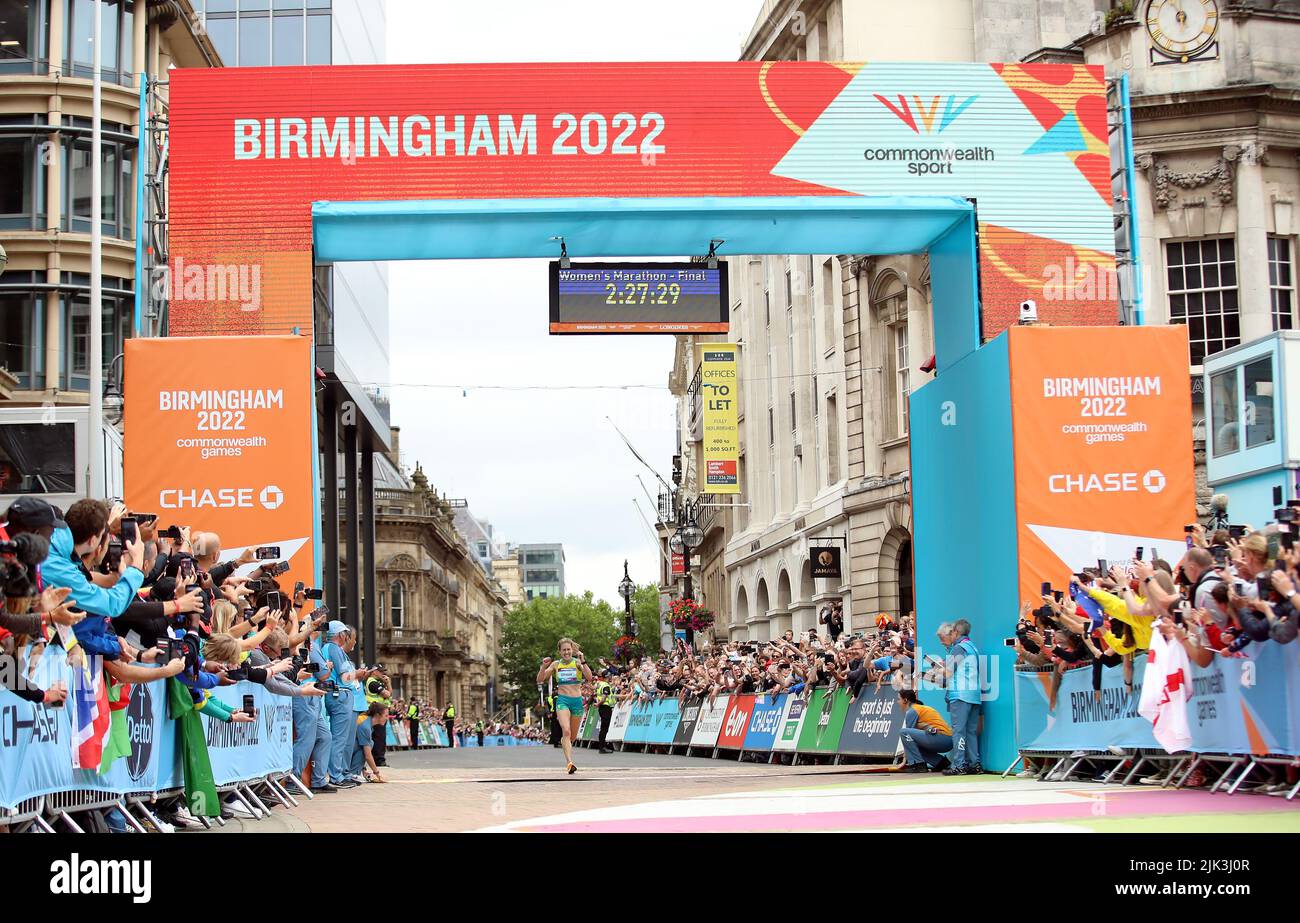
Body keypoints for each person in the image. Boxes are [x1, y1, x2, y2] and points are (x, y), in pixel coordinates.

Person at [536, 637, 593, 774]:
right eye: (564, 650)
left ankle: (565, 742)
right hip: (562, 701)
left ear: (572, 650)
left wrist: (583, 662)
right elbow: (540, 680)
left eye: (568, 649)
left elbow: (589, 677)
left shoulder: (577, 663)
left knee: (571, 737)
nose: (566, 652)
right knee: (566, 730)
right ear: (560, 652)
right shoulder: (556, 665)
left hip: (577, 702)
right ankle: (569, 763)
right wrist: (543, 667)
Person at [937, 619, 982, 775]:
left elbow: (948, 672)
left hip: (961, 694)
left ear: (955, 632)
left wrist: (937, 667)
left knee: (959, 731)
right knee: (970, 731)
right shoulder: (972, 647)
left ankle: (959, 765)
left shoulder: (958, 648)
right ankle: (975, 764)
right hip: (975, 695)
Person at [897, 689, 952, 772]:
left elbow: (907, 738)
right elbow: (911, 743)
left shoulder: (912, 711)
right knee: (914, 745)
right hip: (947, 740)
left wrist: (904, 761)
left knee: (903, 732)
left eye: (899, 699)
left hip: (943, 738)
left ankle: (918, 765)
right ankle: (941, 763)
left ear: (905, 700)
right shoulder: (918, 708)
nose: (897, 702)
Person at [352, 703, 389, 783]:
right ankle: (353, 773)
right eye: (386, 716)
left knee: (369, 743)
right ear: (377, 715)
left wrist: (363, 769)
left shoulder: (365, 720)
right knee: (369, 744)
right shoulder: (365, 727)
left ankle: (356, 772)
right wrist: (377, 774)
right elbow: (368, 755)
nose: (387, 718)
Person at [595, 672, 617, 753]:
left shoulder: (600, 684)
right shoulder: (606, 686)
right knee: (604, 728)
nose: (611, 677)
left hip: (602, 708)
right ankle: (602, 747)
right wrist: (598, 704)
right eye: (610, 676)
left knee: (603, 728)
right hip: (605, 708)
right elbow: (604, 698)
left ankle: (602, 746)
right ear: (607, 677)